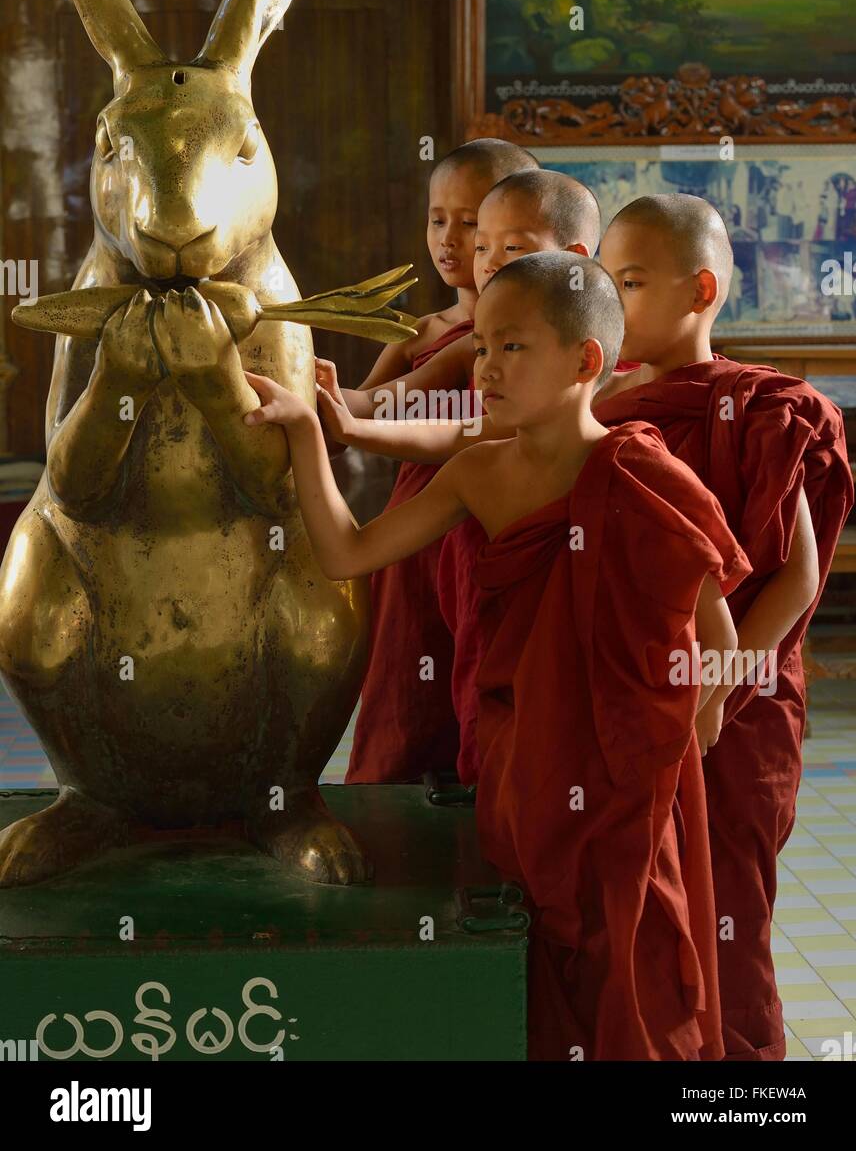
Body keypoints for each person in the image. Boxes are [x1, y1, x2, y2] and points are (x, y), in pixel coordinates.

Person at [243, 252, 751, 1060]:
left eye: (512, 348)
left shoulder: (644, 473)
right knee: (541, 955)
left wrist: (674, 742)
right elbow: (347, 552)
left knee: (633, 965)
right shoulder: (479, 471)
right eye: (481, 347)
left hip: (632, 775)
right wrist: (309, 431)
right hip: (525, 767)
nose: (485, 367)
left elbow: (720, 639)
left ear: (586, 361)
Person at [595, 192, 854, 1062]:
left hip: (739, 709)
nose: (610, 299)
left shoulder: (763, 408)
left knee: (730, 909)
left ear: (700, 288)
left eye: (628, 282)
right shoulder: (603, 405)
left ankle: (745, 1086)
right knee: (642, 910)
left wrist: (720, 685)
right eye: (603, 280)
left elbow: (798, 575)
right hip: (634, 706)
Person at [318, 168, 601, 784]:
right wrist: (312, 396)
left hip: (533, 554)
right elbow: (395, 411)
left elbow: (469, 433)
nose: (476, 255)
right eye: (478, 244)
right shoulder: (453, 344)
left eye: (497, 238)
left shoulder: (602, 366)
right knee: (425, 710)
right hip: (432, 542)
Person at [338, 137, 538, 784]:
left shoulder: (491, 347)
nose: (452, 240)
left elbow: (371, 414)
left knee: (482, 698)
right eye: (438, 218)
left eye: (475, 224)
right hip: (415, 545)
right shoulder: (420, 333)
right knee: (409, 699)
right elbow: (352, 419)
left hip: (487, 530)